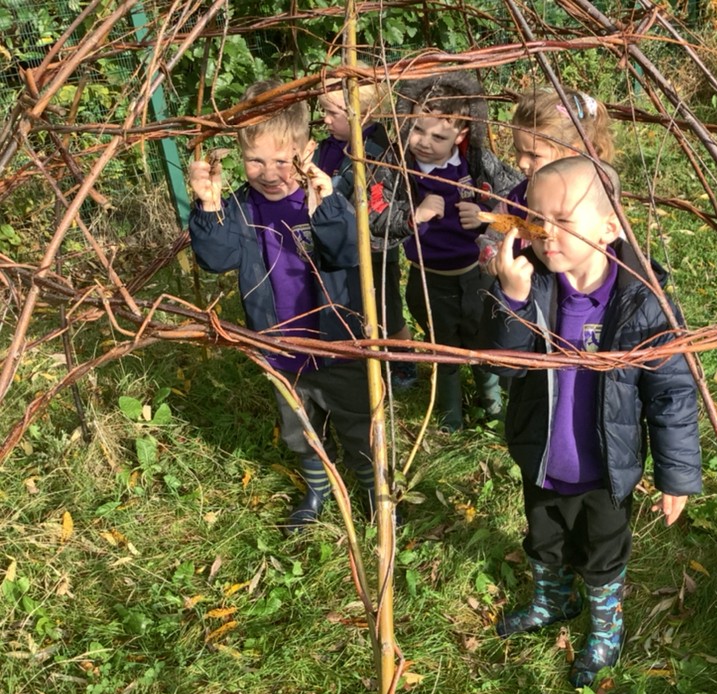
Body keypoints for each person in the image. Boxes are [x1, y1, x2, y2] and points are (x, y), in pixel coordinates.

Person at [485, 156, 702, 687]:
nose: (546, 233)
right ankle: (552, 600)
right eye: (536, 219)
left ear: (609, 228)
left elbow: (671, 390)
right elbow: (502, 361)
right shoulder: (532, 285)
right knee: (545, 538)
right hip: (542, 454)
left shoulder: (642, 302)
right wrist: (510, 295)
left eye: (563, 219)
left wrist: (677, 474)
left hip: (607, 468)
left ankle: (605, 625)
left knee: (602, 553)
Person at [188, 78, 375, 536]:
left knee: (356, 425)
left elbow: (346, 253)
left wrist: (326, 209)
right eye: (254, 159)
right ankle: (317, 488)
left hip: (338, 343)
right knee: (299, 429)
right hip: (278, 346)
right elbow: (217, 259)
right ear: (239, 153)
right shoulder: (237, 207)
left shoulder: (321, 197)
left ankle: (373, 491)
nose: (268, 172)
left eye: (280, 160)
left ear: (306, 150)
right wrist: (209, 206)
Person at [366, 71, 521, 431]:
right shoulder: (396, 167)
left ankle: (491, 404)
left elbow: (520, 205)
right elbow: (373, 215)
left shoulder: (477, 164)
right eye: (417, 129)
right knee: (441, 345)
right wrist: (411, 216)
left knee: (482, 339)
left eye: (439, 135)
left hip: (475, 275)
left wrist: (485, 218)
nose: (424, 142)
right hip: (428, 280)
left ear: (462, 134)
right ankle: (450, 413)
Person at [315, 75, 417, 391]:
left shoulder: (378, 150)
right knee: (351, 303)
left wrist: (332, 189)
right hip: (339, 241)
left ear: (365, 113)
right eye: (323, 111)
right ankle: (362, 356)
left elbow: (376, 202)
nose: (325, 119)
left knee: (386, 307)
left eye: (333, 113)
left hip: (373, 247)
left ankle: (403, 361)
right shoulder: (328, 146)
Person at [478, 88, 616, 269]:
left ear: (572, 152)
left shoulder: (592, 203)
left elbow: (614, 254)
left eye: (533, 155)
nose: (521, 162)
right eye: (518, 150)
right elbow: (491, 236)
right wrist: (494, 259)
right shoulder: (519, 197)